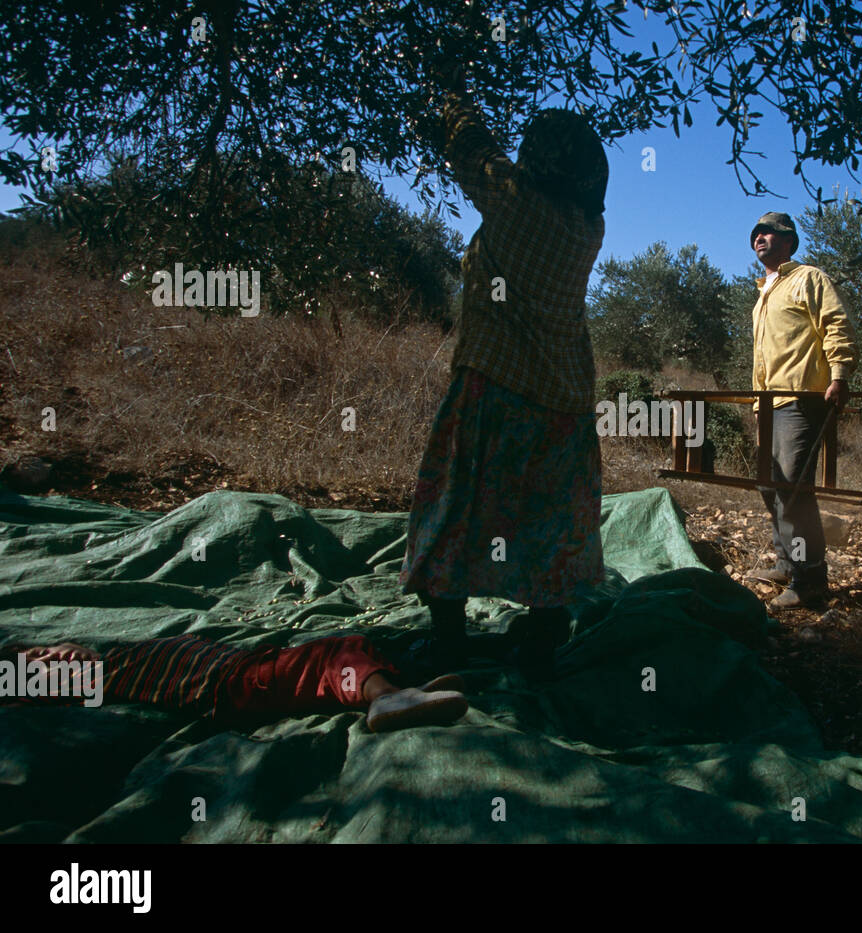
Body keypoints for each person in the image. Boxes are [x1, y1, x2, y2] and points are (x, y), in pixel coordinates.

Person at [399, 73, 609, 679]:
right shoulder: (588, 228)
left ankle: (448, 642)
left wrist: (449, 82)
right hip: (564, 400)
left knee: (455, 510)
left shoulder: (514, 201)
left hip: (495, 387)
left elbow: (469, 147)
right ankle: (543, 639)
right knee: (550, 523)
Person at [1, 633, 468, 732]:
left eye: (47, 647)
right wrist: (21, 689)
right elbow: (21, 691)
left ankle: (397, 688)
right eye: (38, 661)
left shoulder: (114, 656)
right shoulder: (100, 677)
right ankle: (386, 699)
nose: (52, 655)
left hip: (248, 668)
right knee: (333, 655)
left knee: (350, 648)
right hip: (233, 684)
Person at [745, 212, 858, 609]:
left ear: (789, 241)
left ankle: (810, 580)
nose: (760, 238)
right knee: (768, 484)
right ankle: (785, 562)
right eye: (756, 234)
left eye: (770, 233)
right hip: (769, 403)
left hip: (801, 399)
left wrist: (840, 374)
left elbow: (836, 324)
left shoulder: (809, 278)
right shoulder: (764, 292)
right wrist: (758, 402)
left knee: (793, 489)